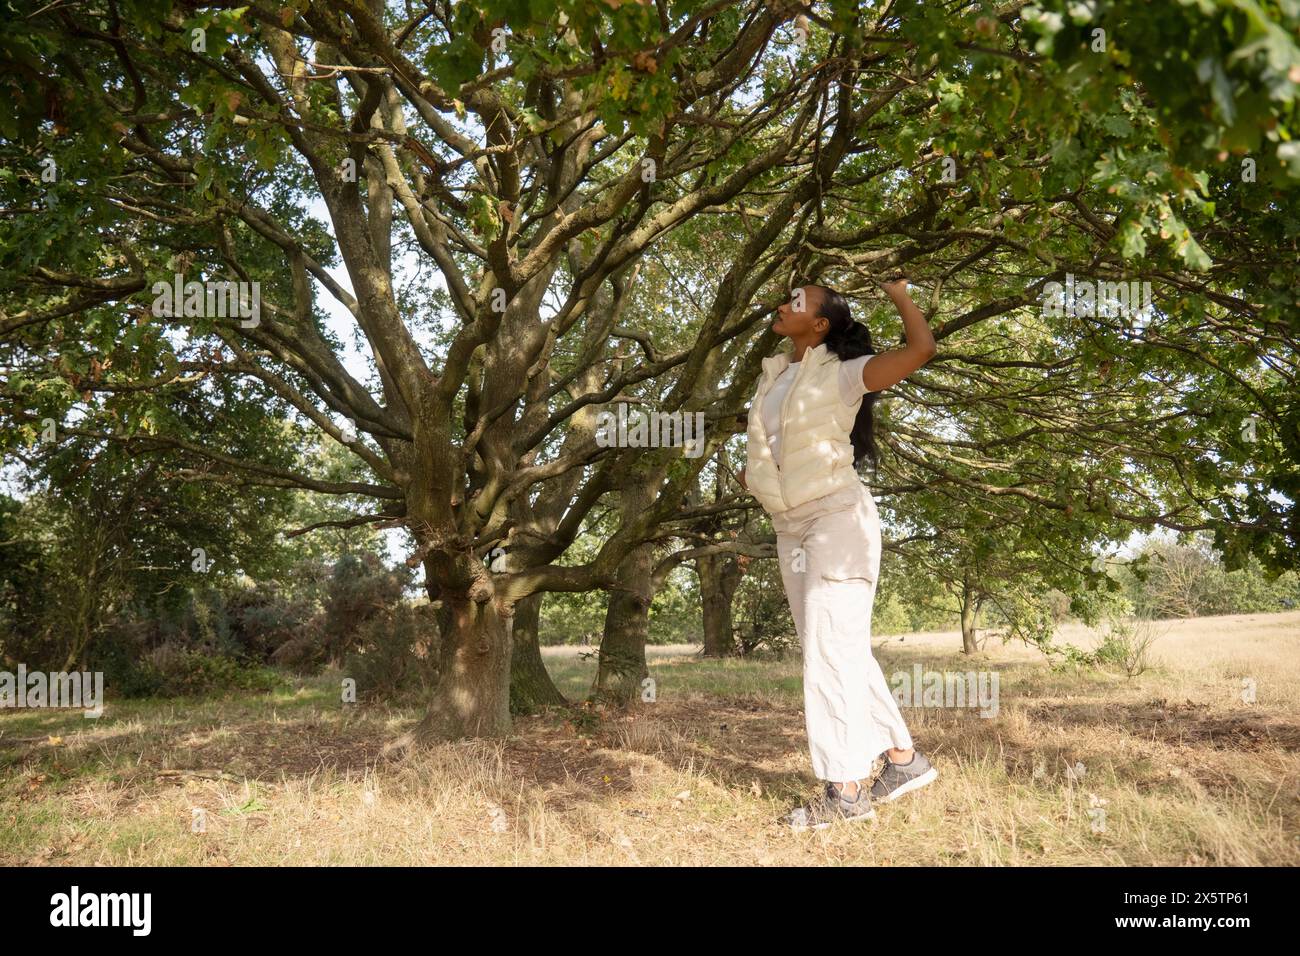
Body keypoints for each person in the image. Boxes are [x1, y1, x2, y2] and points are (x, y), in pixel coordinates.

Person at [739, 279, 939, 829]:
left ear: (822, 325)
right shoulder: (776, 373)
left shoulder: (848, 372)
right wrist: (756, 475)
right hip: (789, 524)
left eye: (797, 302)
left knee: (828, 651)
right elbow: (777, 445)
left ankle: (845, 789)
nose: (783, 305)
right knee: (836, 648)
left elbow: (921, 350)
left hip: (836, 520)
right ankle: (902, 760)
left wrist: (899, 292)